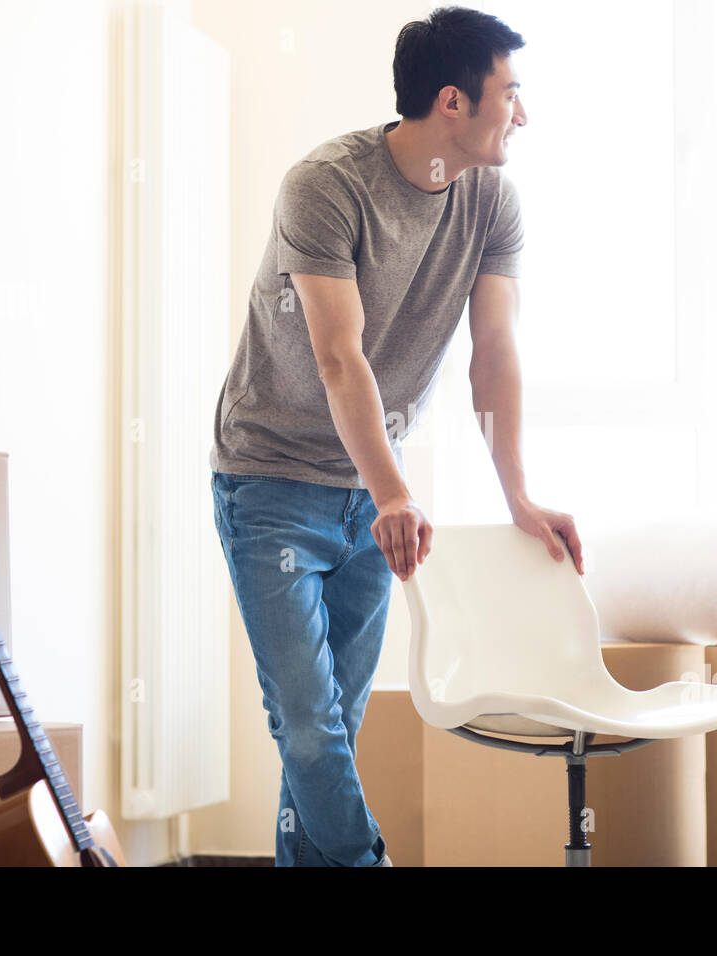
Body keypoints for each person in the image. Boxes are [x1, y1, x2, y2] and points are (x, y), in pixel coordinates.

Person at [209, 4, 583, 867]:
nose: (522, 114)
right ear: (453, 101)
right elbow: (339, 358)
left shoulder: (492, 201)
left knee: (329, 732)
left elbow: (494, 354)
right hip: (270, 483)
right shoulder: (325, 185)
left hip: (376, 498)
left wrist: (517, 493)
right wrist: (394, 494)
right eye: (510, 94)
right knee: (306, 725)